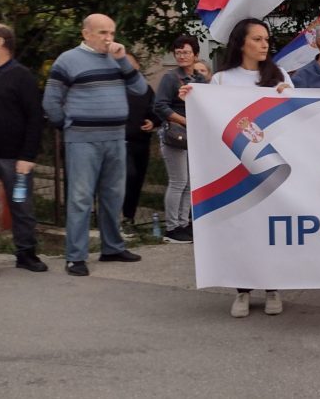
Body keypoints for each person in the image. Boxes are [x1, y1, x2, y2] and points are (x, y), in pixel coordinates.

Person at [42, 14, 146, 276]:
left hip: (115, 136)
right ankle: (75, 256)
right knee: (80, 198)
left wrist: (123, 60)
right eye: (102, 33)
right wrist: (66, 124)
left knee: (113, 195)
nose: (108, 38)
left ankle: (112, 247)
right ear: (86, 33)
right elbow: (51, 100)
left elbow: (141, 89)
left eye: (111, 32)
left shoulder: (118, 57)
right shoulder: (68, 60)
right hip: (82, 138)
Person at [204, 18, 291, 316]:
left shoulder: (279, 76)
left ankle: (272, 287)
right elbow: (209, 117)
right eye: (257, 39)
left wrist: (286, 96)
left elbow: (294, 117)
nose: (264, 44)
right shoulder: (222, 80)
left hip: (269, 165)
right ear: (241, 43)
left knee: (269, 228)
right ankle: (242, 290)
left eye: (266, 38)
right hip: (235, 167)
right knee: (241, 228)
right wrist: (191, 98)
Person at [0, 23, 48, 278]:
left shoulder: (22, 76)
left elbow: (34, 118)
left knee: (21, 206)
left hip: (14, 159)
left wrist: (28, 156)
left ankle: (26, 253)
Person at [154, 35, 205, 243]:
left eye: (185, 52)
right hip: (175, 135)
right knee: (178, 181)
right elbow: (160, 107)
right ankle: (172, 227)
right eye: (178, 53)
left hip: (193, 137)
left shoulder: (200, 79)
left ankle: (184, 223)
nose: (181, 56)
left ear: (195, 54)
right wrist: (185, 120)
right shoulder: (170, 78)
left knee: (189, 183)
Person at [122, 53, 162, 237]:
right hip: (121, 142)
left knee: (137, 180)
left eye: (130, 64)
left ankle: (128, 219)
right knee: (128, 176)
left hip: (141, 142)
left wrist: (152, 122)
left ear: (137, 66)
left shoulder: (145, 89)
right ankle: (118, 219)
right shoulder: (115, 88)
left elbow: (155, 111)